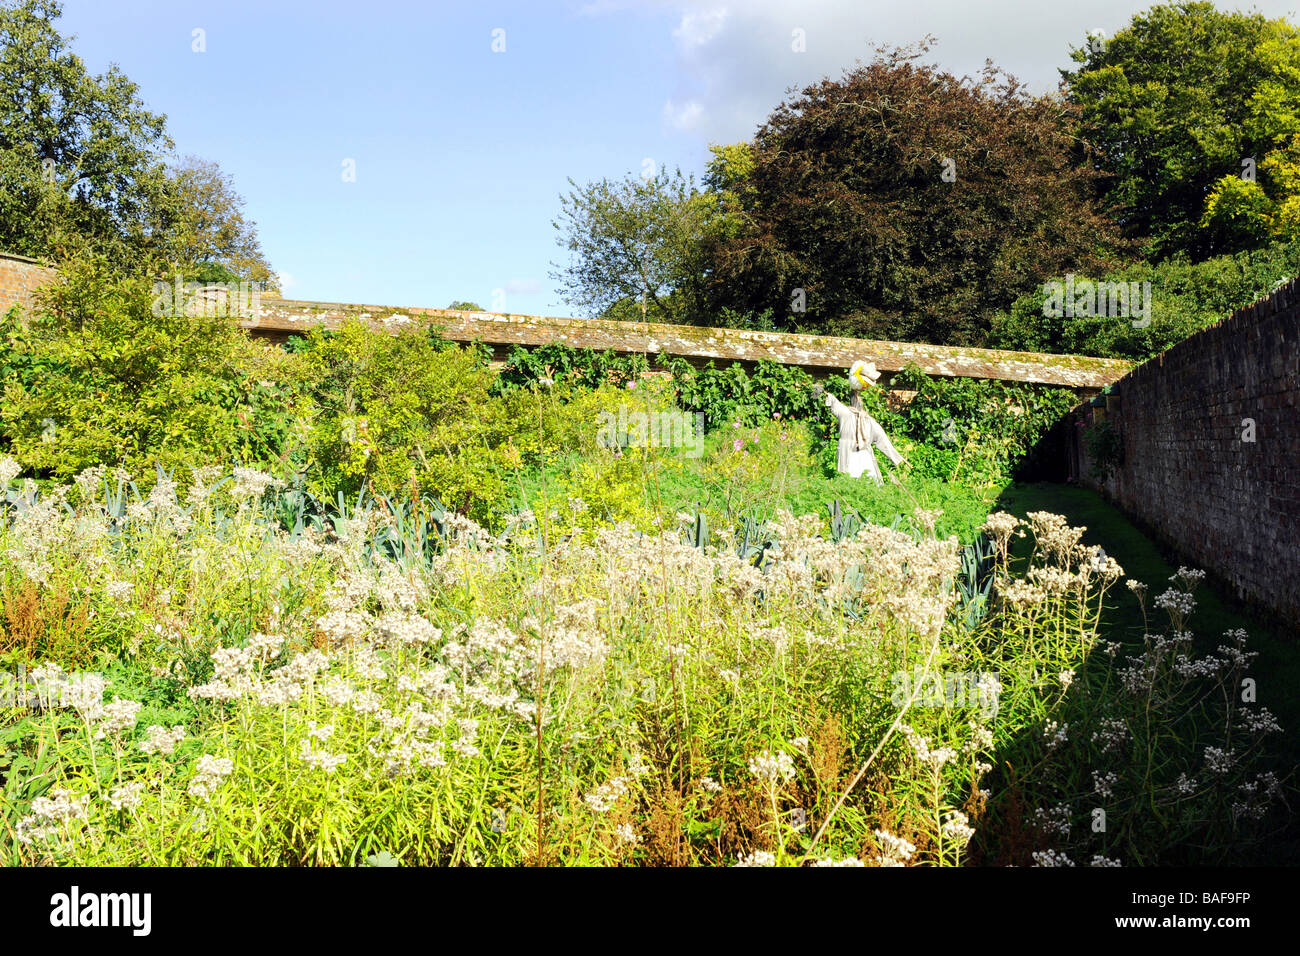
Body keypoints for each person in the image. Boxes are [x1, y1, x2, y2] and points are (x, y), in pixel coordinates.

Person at [812, 360, 906, 483]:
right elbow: (833, 402)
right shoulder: (846, 414)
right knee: (851, 481)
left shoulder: (867, 420)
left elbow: (882, 439)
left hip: (864, 454)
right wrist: (823, 393)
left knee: (867, 481)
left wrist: (897, 458)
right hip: (849, 453)